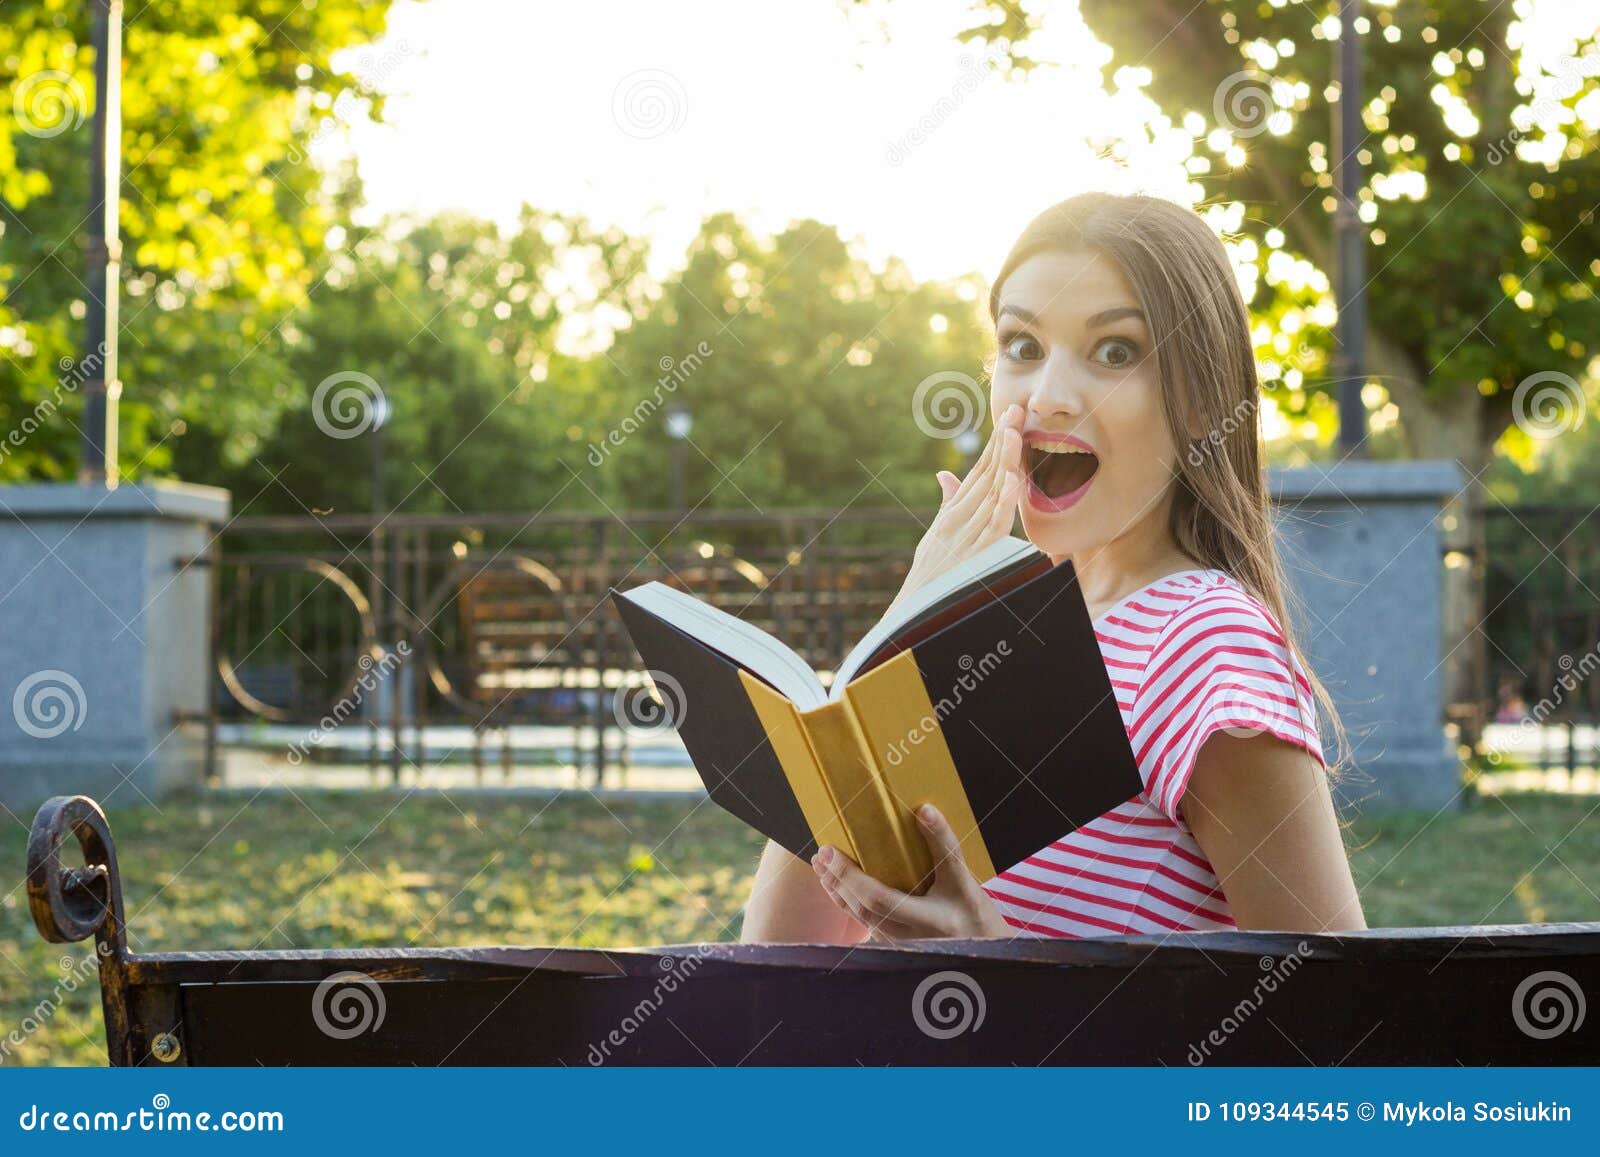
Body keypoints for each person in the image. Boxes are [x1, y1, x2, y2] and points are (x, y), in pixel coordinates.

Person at [742, 192, 1367, 942]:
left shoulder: (1202, 642)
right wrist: (908, 616)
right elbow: (776, 965)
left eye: (1114, 352)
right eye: (1022, 345)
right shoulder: (989, 630)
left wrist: (994, 962)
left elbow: (1334, 1028)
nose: (1048, 397)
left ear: (1203, 401)